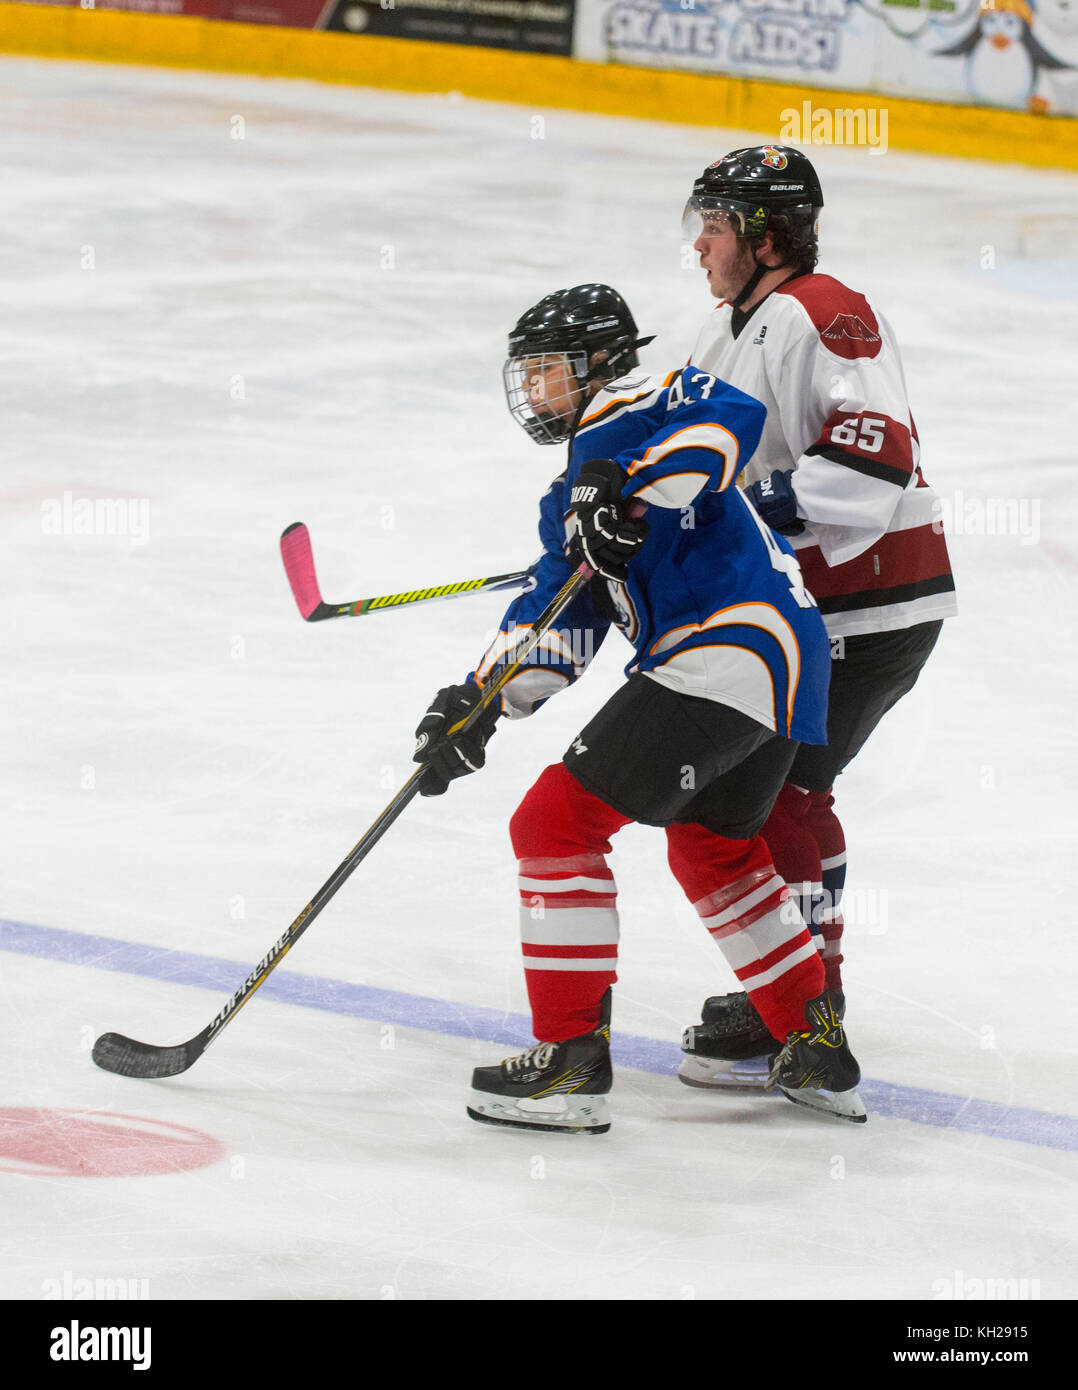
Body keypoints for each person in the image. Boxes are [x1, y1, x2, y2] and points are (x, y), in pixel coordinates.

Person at [412, 283, 866, 1131]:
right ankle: (814, 1041)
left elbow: (729, 419)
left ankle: (571, 1061)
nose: (535, 391)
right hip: (780, 666)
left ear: (592, 365)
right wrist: (474, 707)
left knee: (552, 826)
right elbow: (561, 621)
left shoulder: (646, 398)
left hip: (734, 646)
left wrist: (616, 488)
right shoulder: (571, 502)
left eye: (546, 371)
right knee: (713, 850)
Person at [677, 147, 958, 1089]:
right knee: (784, 795)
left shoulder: (825, 310)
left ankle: (808, 1006)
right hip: (821, 605)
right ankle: (802, 996)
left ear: (765, 235)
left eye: (716, 224)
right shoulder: (736, 327)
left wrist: (746, 511)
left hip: (868, 604)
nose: (702, 243)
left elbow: (872, 460)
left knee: (774, 797)